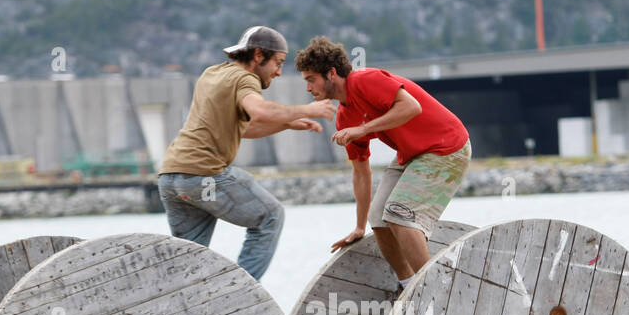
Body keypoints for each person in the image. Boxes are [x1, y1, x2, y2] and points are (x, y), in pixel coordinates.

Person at [157, 26, 335, 280]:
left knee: (189, 265)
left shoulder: (213, 73)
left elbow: (243, 128)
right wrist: (307, 109)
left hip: (172, 178)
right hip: (205, 175)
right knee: (270, 216)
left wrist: (286, 123)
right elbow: (260, 110)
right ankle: (241, 293)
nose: (279, 72)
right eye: (278, 62)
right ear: (259, 56)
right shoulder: (246, 79)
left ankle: (188, 313)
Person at [295, 35, 471, 291]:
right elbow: (361, 172)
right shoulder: (344, 118)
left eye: (311, 79)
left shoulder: (364, 80)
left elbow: (411, 107)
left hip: (447, 147)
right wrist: (358, 225)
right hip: (413, 155)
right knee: (377, 217)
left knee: (399, 214)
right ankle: (409, 285)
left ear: (331, 73)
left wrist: (362, 129)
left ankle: (433, 290)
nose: (308, 88)